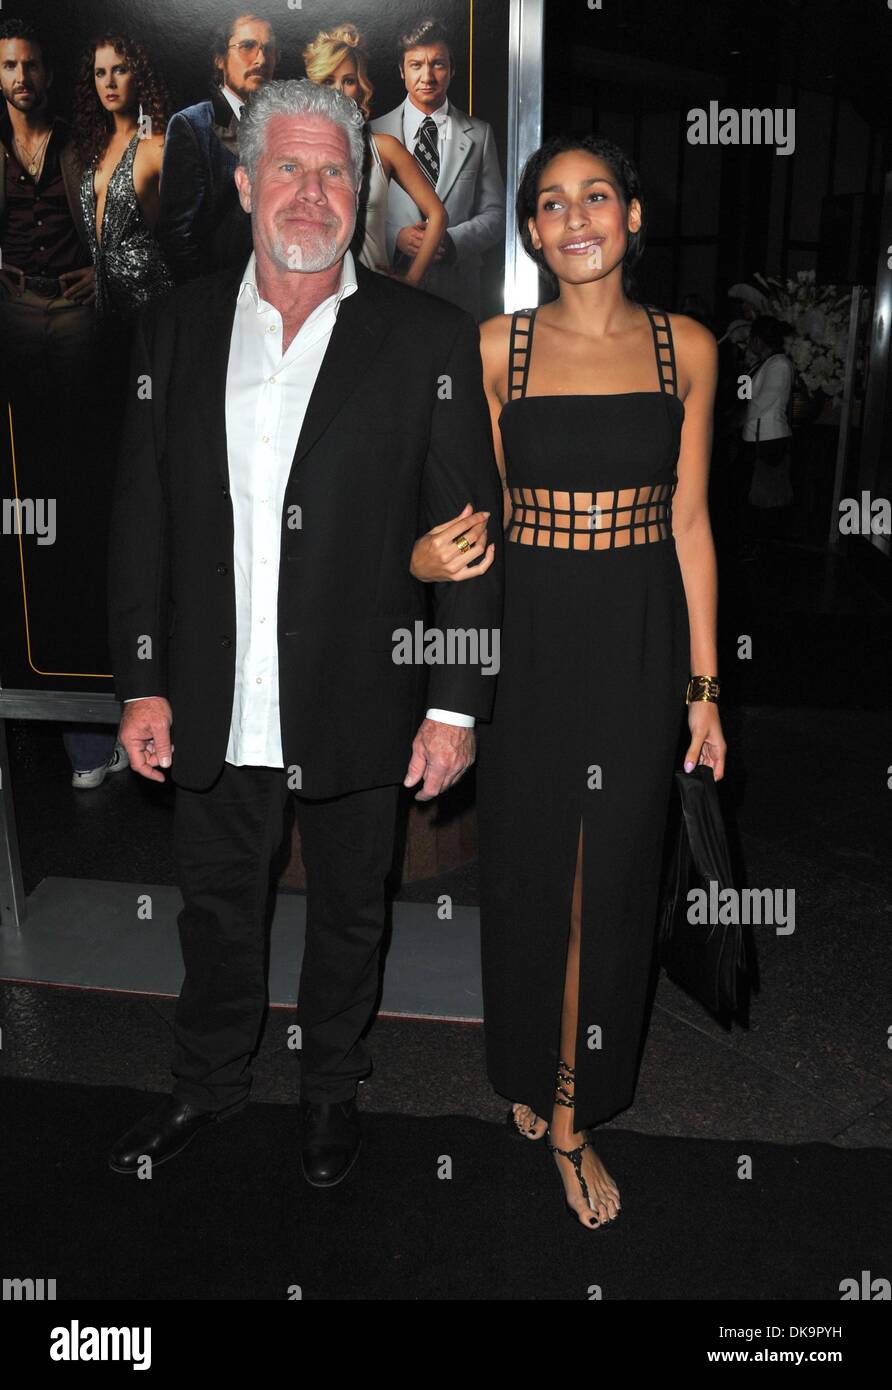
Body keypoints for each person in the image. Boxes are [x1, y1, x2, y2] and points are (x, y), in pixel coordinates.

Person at [105, 79, 503, 1186]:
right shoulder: (174, 328)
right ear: (242, 183)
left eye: (336, 171)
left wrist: (454, 702)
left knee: (349, 916)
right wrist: (140, 681)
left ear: (362, 191)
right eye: (288, 167)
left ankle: (330, 1091)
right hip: (211, 688)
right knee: (216, 913)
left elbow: (468, 536)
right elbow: (140, 516)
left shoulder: (425, 335)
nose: (313, 191)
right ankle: (206, 1086)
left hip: (363, 689)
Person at [411, 135, 726, 1229]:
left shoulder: (686, 347)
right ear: (532, 230)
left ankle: (574, 1110)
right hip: (531, 635)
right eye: (551, 203)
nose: (576, 217)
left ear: (633, 216)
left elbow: (690, 524)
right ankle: (528, 1062)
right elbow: (465, 517)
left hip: (638, 632)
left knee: (615, 875)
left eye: (598, 196)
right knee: (534, 871)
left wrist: (704, 688)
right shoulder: (494, 347)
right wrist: (418, 565)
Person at [0, 18, 125, 788]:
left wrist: (99, 280)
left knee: (76, 498)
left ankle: (86, 730)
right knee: (19, 497)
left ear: (49, 73)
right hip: (10, 310)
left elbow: (121, 229)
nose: (21, 76)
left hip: (76, 313)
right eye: (9, 64)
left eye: (31, 65)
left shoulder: (78, 138)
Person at [370, 15, 505, 319]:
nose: (427, 76)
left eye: (438, 64)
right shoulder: (374, 131)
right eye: (416, 65)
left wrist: (451, 240)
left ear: (452, 69)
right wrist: (396, 237)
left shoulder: (480, 134)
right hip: (387, 285)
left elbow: (496, 216)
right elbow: (356, 209)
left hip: (457, 294)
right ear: (402, 71)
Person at [302, 22, 446, 286]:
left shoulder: (384, 148)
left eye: (348, 81)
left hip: (376, 295)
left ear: (361, 86)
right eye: (328, 81)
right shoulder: (298, 152)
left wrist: (412, 279)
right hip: (316, 292)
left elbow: (437, 214)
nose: (338, 91)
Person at [157, 11, 277, 283]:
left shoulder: (284, 123)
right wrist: (216, 299)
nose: (260, 59)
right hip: (219, 297)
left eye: (268, 49)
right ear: (220, 58)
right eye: (247, 47)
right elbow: (176, 238)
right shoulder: (190, 125)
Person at [73, 31, 173, 323]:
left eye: (120, 69)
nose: (109, 82)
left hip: (151, 302)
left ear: (138, 75)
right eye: (100, 73)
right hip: (105, 306)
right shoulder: (96, 145)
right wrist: (99, 271)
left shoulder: (156, 144)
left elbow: (181, 236)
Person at [739, 314, 794, 555]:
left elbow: (758, 403)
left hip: (769, 438)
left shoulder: (779, 364)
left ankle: (762, 544)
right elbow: (743, 395)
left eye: (752, 338)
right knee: (755, 492)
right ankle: (755, 541)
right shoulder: (765, 363)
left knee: (764, 493)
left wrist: (735, 418)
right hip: (758, 436)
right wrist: (746, 367)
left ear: (760, 340)